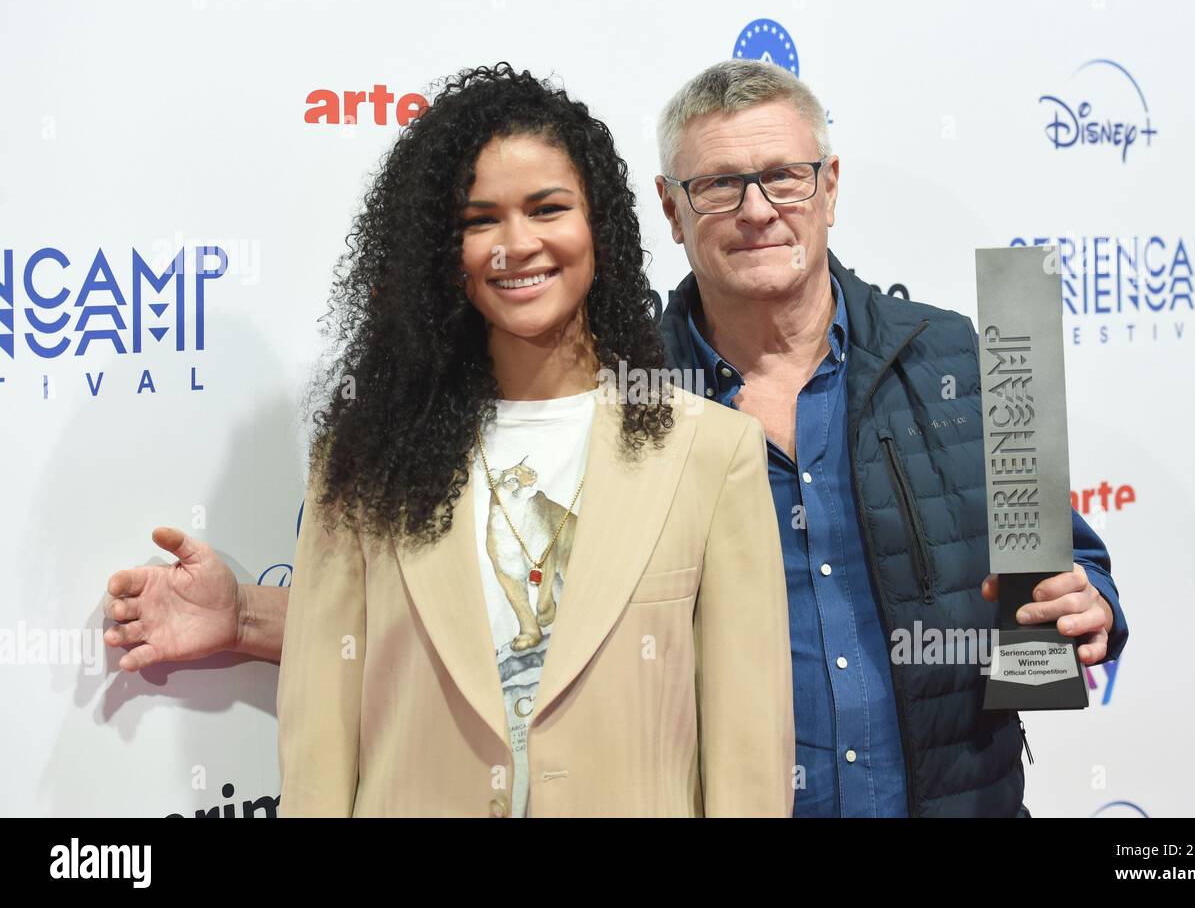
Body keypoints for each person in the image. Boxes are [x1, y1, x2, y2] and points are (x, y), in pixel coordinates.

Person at [105, 60, 1128, 818]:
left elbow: (1053, 571)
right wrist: (245, 611)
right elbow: (486, 614)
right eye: (720, 186)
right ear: (670, 213)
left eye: (784, 175)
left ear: (829, 184)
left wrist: (1088, 602)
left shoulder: (963, 360)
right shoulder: (638, 397)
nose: (758, 208)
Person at [106, 62, 795, 817]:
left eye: (547, 209)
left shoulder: (712, 452)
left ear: (597, 223)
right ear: (443, 252)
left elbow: (749, 764)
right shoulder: (366, 459)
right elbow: (318, 758)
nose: (515, 244)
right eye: (479, 220)